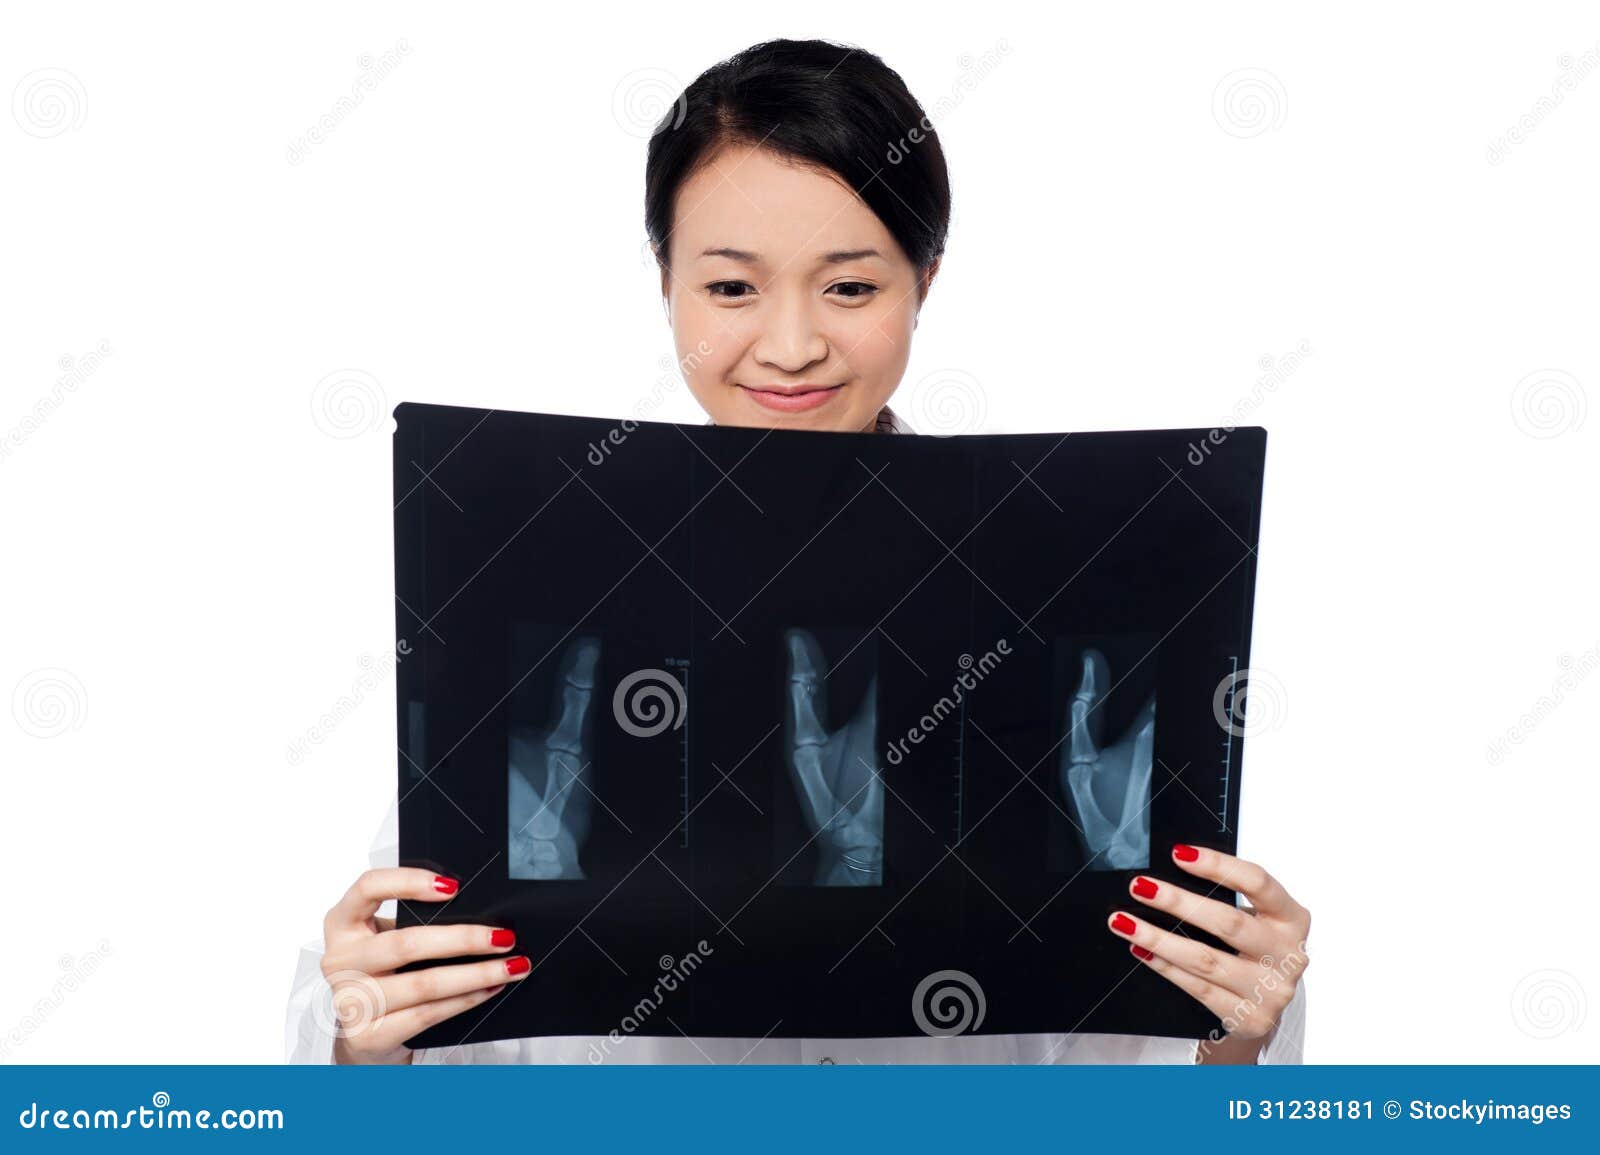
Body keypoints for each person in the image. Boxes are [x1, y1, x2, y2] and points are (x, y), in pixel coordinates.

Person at [286, 37, 1310, 1066]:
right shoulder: (533, 574)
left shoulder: (1065, 577)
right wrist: (364, 1046)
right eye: (731, 288)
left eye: (850, 289)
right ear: (667, 284)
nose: (789, 346)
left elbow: (1120, 1080)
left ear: (925, 281)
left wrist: (1231, 1032)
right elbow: (432, 1068)